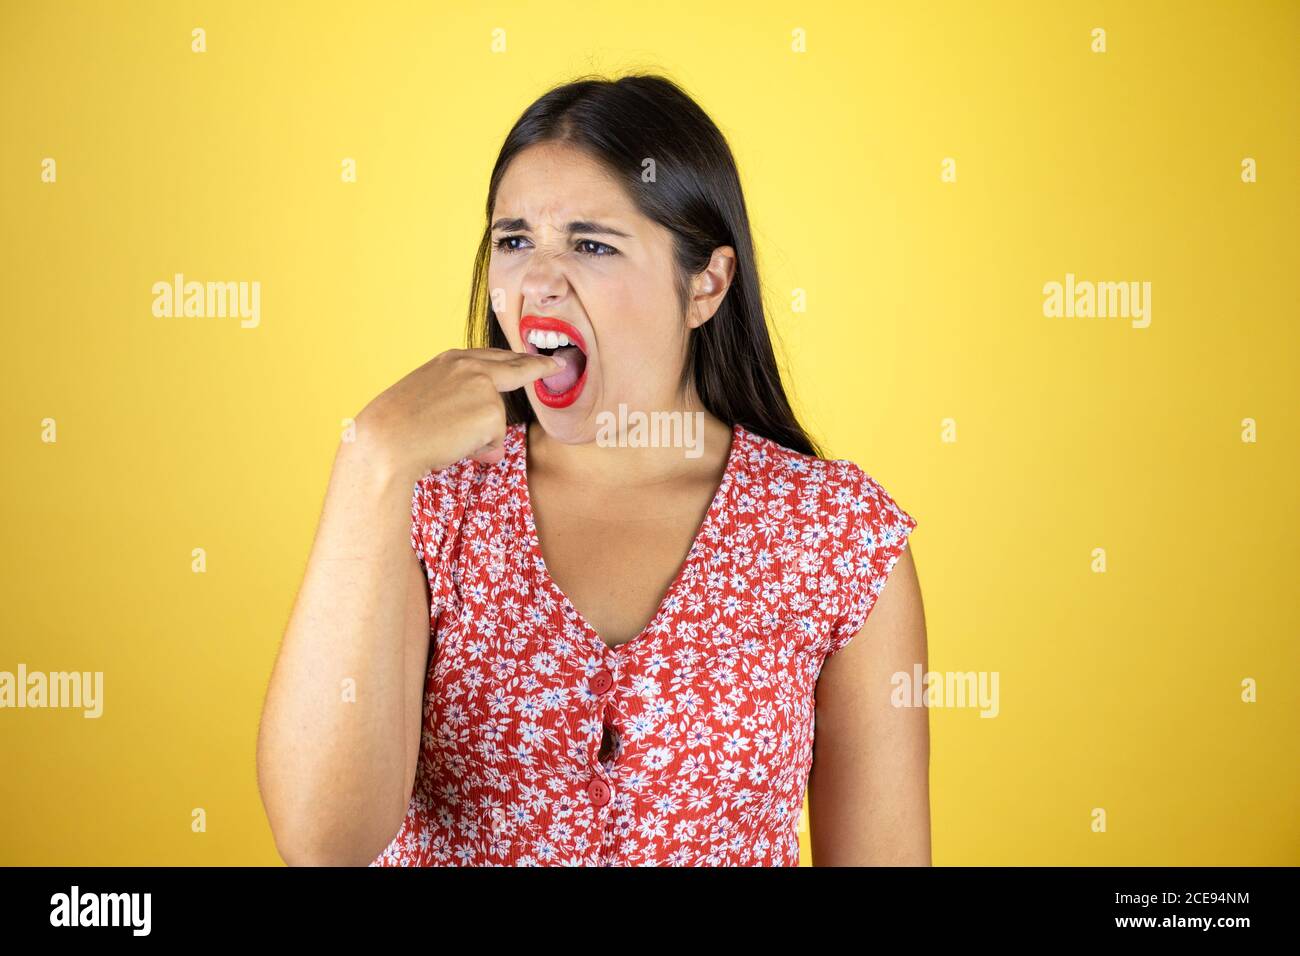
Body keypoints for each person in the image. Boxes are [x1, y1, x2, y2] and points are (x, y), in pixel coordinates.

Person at [256, 73, 928, 867]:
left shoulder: (835, 537)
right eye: (514, 241)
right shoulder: (425, 503)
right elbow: (321, 844)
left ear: (704, 286)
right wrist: (369, 460)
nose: (537, 281)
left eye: (592, 244)